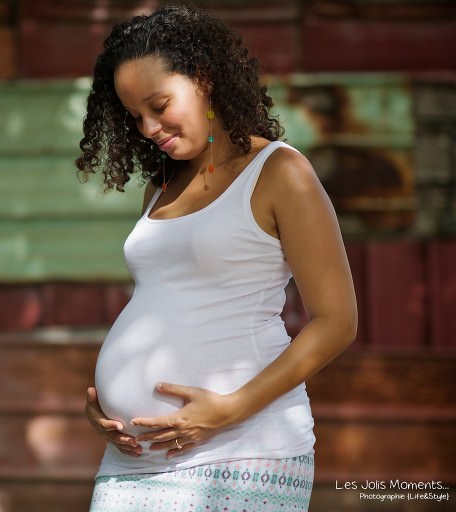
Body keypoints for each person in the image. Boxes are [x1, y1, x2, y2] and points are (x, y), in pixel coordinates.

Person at [74, 5, 358, 511]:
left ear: (205, 78)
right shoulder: (160, 188)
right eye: (135, 115)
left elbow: (337, 322)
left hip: (240, 449)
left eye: (160, 105)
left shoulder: (279, 172)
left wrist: (227, 410)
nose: (148, 127)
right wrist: (112, 406)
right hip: (135, 457)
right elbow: (168, 303)